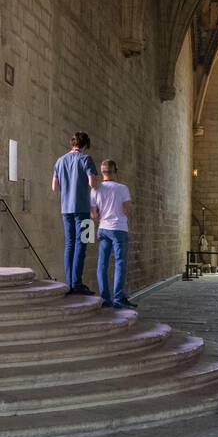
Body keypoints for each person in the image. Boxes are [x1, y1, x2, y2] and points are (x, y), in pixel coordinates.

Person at [51, 132, 100, 295]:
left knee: (70, 244)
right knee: (83, 244)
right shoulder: (86, 159)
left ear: (73, 144)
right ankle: (77, 283)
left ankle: (69, 283)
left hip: (66, 209)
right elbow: (92, 183)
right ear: (85, 145)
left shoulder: (60, 160)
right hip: (83, 209)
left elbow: (54, 187)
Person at [90, 159, 135, 310]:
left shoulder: (96, 189)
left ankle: (105, 298)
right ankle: (118, 298)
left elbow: (94, 214)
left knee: (102, 264)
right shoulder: (122, 188)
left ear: (102, 172)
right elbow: (128, 209)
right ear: (115, 170)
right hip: (119, 228)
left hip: (103, 228)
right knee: (120, 263)